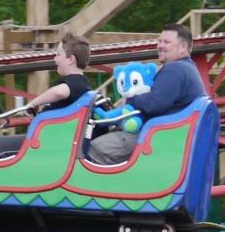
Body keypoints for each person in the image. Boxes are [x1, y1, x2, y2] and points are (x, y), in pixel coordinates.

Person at [86, 25, 207, 164]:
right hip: (172, 135)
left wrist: (130, 100)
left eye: (166, 42)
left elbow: (154, 104)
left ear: (183, 46)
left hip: (161, 137)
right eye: (159, 41)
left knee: (98, 147)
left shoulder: (175, 70)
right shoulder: (187, 68)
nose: (160, 46)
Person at [0, 34, 93, 160]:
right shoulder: (84, 83)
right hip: (53, 139)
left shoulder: (75, 82)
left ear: (71, 59)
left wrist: (33, 103)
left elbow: (59, 92)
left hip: (49, 143)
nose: (55, 59)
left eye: (58, 54)